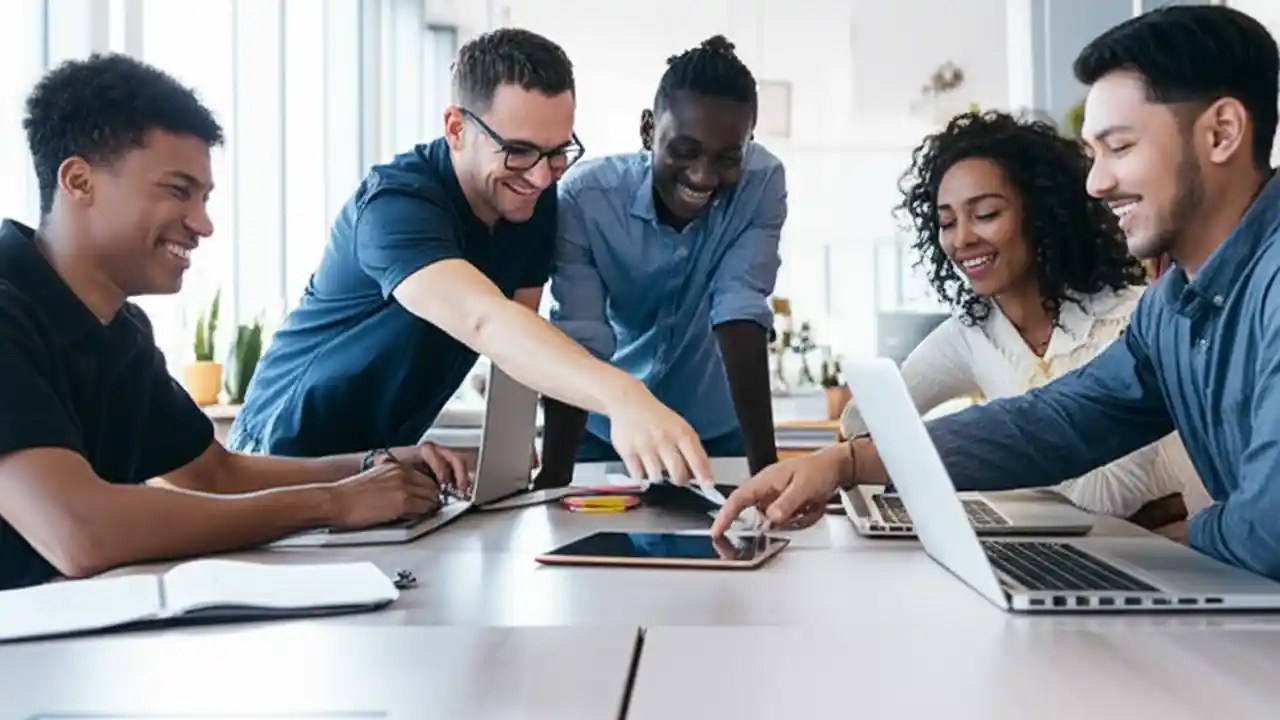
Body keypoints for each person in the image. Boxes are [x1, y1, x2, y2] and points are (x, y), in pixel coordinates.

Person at [713, 6, 1280, 582]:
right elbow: (1054, 423)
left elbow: (1269, 532)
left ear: (1222, 133)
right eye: (1093, 155)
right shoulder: (1172, 308)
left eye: (1121, 147)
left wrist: (1177, 539)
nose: (1096, 183)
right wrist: (847, 462)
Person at [0, 54, 468, 591]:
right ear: (79, 181)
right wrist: (332, 503)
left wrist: (372, 464)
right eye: (178, 191)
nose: (202, 223)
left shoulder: (119, 331)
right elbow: (78, 532)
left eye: (204, 198)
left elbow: (216, 474)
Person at [229, 28, 712, 485]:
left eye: (558, 152)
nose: (543, 177)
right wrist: (623, 395)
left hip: (374, 467)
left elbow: (516, 349)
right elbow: (486, 321)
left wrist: (512, 453)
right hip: (278, 456)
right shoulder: (396, 205)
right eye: (518, 151)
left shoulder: (531, 204)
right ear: (456, 127)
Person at [839, 109, 1202, 527]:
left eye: (987, 214)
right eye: (946, 222)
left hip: (1181, 555)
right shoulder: (971, 332)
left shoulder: (1135, 318)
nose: (962, 239)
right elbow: (861, 421)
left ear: (1043, 213)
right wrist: (848, 460)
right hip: (1072, 551)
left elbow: (1104, 497)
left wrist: (975, 451)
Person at [535, 35, 785, 488]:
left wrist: (766, 470)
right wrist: (553, 478)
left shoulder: (761, 183)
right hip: (607, 428)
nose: (704, 176)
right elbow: (580, 333)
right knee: (589, 553)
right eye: (685, 151)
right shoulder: (586, 200)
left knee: (741, 552)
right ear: (649, 129)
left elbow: (740, 307)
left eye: (728, 158)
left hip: (715, 429)